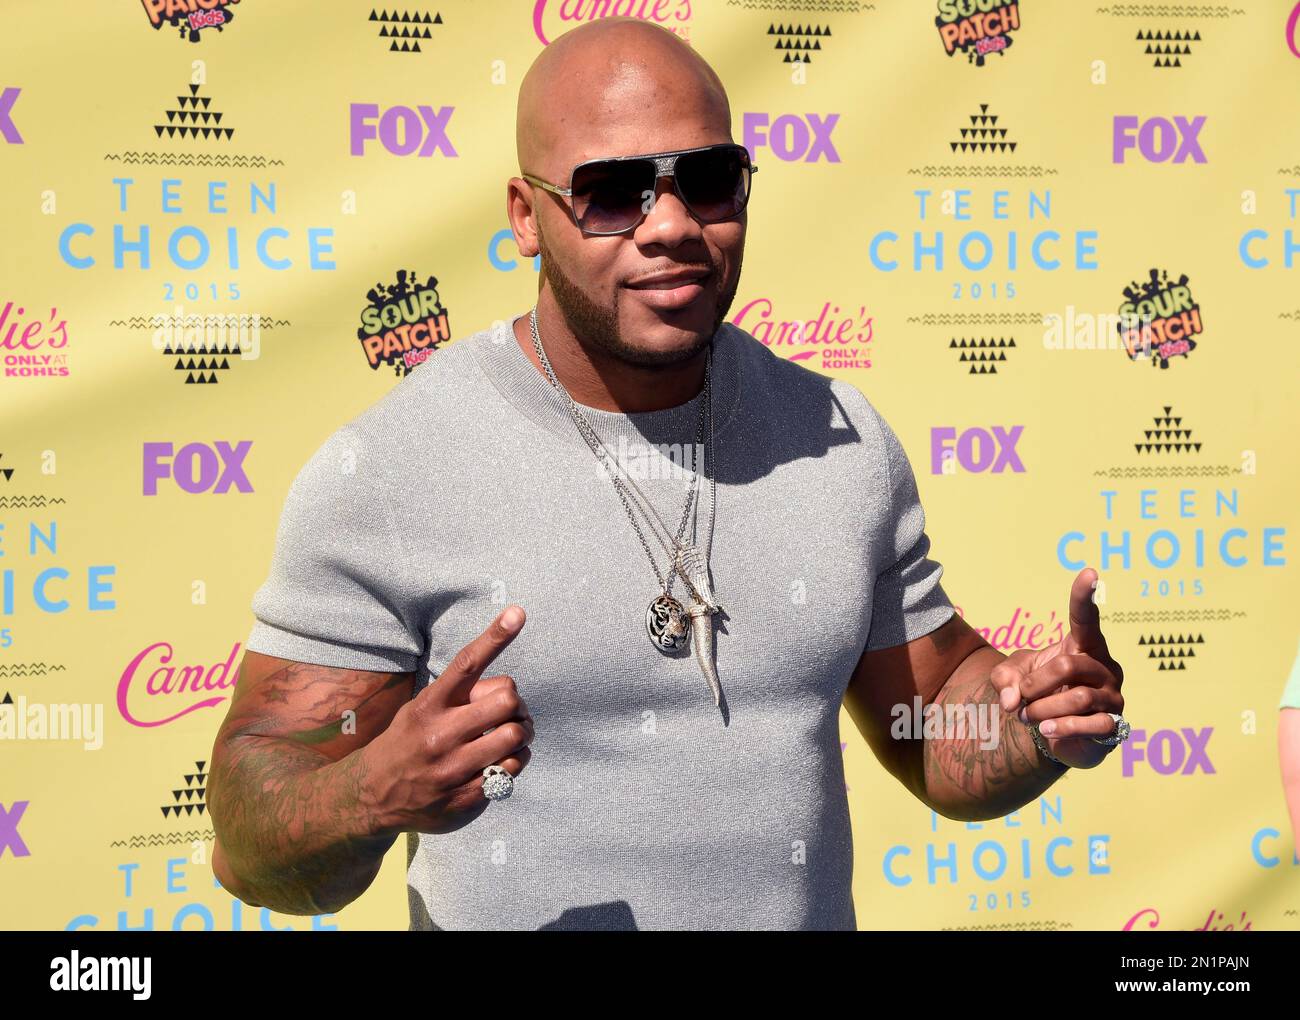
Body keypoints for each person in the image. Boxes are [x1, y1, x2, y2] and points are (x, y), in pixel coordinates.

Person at [206, 16, 1127, 930]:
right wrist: (370, 794)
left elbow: (928, 730)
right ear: (527, 218)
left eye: (710, 180)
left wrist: (1030, 722)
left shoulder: (837, 436)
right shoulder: (395, 469)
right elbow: (248, 846)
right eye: (614, 194)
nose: (675, 226)